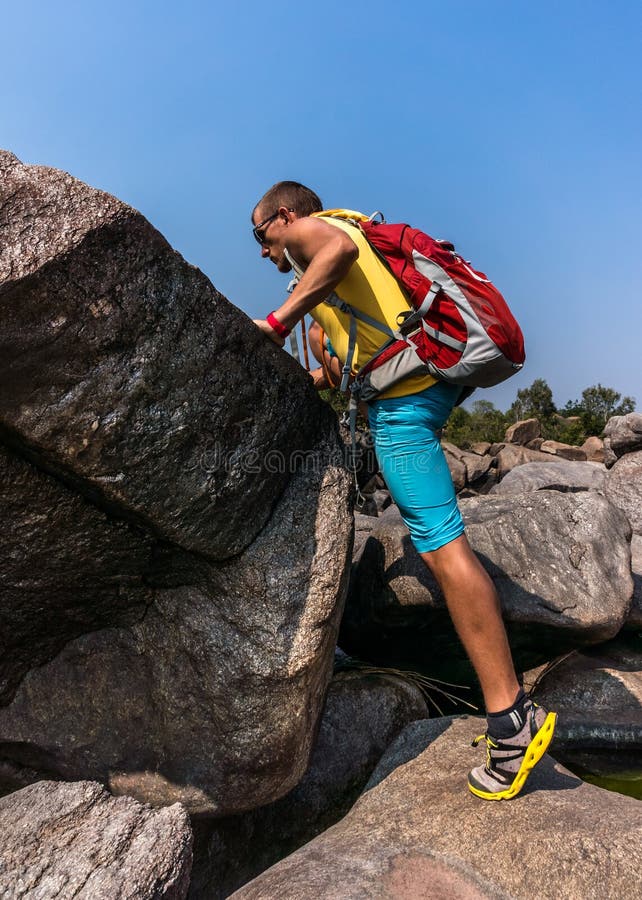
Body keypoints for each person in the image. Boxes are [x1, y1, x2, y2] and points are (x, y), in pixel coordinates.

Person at [251, 181, 556, 800]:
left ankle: (512, 724)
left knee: (444, 549)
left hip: (404, 407)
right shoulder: (360, 231)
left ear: (286, 216)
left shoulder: (320, 235)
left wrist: (278, 323)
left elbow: (333, 251)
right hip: (429, 377)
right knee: (441, 540)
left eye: (261, 236)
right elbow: (343, 370)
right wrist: (314, 367)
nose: (263, 253)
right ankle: (510, 711)